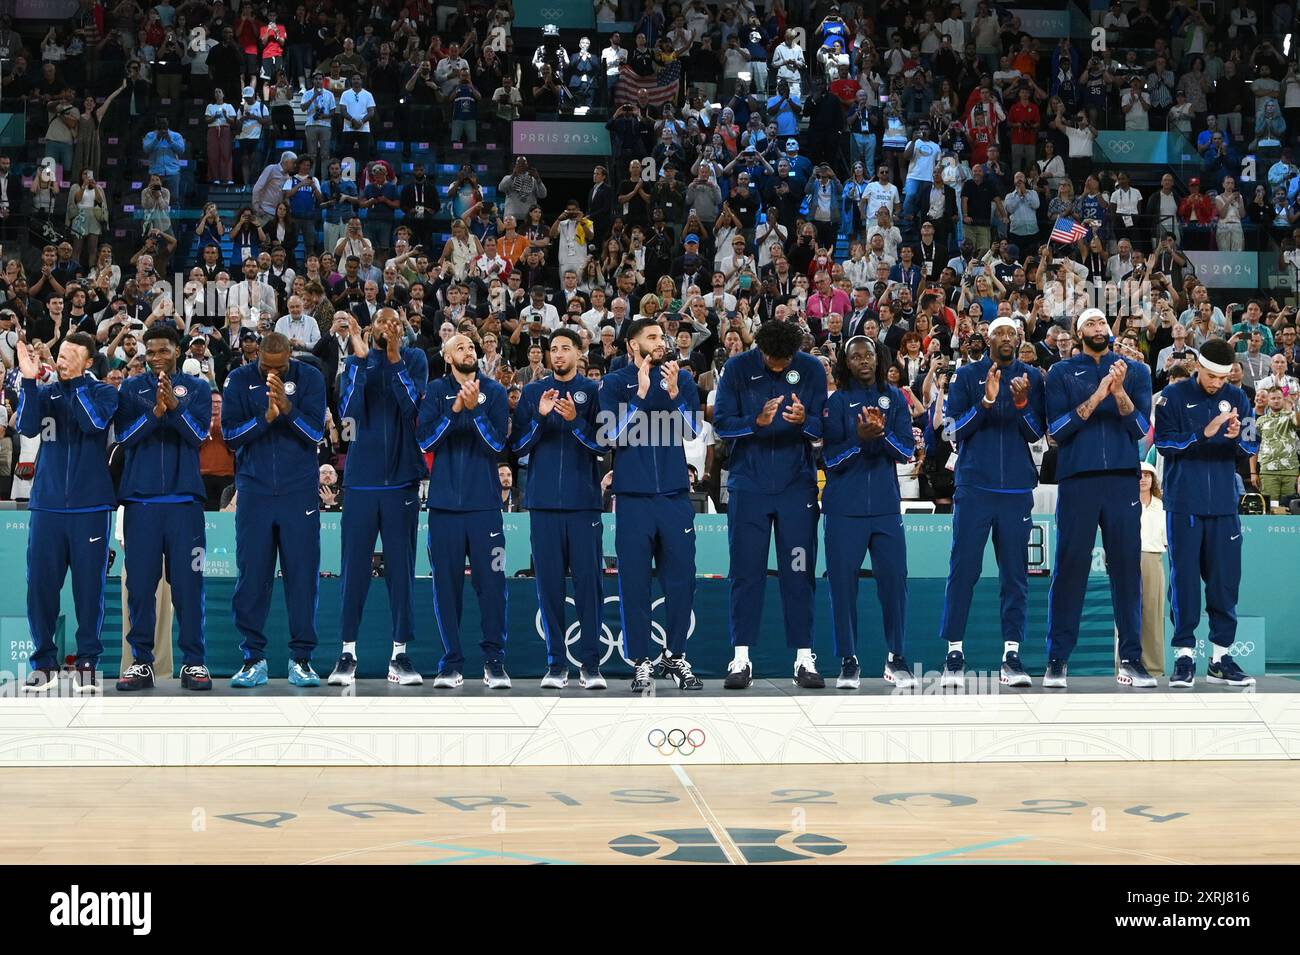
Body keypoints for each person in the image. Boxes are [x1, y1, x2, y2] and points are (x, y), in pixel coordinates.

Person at [712, 320, 827, 688]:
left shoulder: (810, 368)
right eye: (773, 361)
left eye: (786, 361)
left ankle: (804, 658)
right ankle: (740, 658)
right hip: (749, 487)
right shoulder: (737, 368)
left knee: (799, 572)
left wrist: (805, 421)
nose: (780, 367)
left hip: (797, 488)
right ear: (760, 350)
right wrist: (756, 421)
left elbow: (825, 427)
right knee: (747, 572)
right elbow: (722, 425)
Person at [1044, 308, 1153, 689]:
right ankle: (1057, 660)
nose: (1099, 327)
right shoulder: (1060, 373)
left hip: (1123, 480)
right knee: (1069, 568)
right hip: (1078, 481)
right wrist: (1098, 395)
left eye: (1103, 322)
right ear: (1078, 333)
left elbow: (1140, 428)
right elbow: (1057, 430)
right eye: (1090, 323)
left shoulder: (1135, 371)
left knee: (1126, 570)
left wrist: (1119, 390)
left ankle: (1132, 660)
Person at [938, 316, 1046, 687]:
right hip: (974, 488)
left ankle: (1011, 656)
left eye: (1011, 333)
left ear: (1018, 338)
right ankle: (954, 652)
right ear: (987, 337)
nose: (1004, 338)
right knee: (963, 570)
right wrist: (985, 401)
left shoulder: (1032, 377)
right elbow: (949, 432)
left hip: (1016, 490)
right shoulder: (967, 376)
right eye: (998, 332)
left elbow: (1037, 434)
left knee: (1015, 576)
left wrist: (1020, 403)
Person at [598, 318, 704, 692]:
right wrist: (641, 395)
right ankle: (641, 660)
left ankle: (676, 656)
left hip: (675, 497)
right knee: (635, 584)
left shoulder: (683, 378)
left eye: (663, 337)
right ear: (632, 345)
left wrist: (674, 394)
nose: (662, 343)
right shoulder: (613, 384)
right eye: (653, 337)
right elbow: (610, 437)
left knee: (681, 582)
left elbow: (693, 432)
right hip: (633, 500)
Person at [326, 311, 429, 687]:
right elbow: (348, 413)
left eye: (395, 323)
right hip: (362, 483)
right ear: (369, 330)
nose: (389, 328)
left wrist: (395, 355)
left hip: (402, 481)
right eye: (382, 323)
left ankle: (399, 655)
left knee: (401, 571)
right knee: (353, 569)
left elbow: (414, 410)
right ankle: (347, 653)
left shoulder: (414, 359)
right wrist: (360, 358)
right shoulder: (357, 363)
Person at [221, 332, 327, 688]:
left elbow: (315, 435)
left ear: (291, 358)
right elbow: (231, 437)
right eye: (266, 366)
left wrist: (289, 411)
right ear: (256, 356)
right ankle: (253, 658)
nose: (273, 373)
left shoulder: (310, 377)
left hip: (299, 492)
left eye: (280, 368)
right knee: (252, 577)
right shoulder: (238, 379)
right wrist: (266, 417)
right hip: (255, 490)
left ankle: (302, 659)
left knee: (302, 576)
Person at [16, 334, 119, 693]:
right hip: (46, 504)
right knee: (40, 587)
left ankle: (88, 660)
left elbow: (92, 423)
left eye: (72, 356)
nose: (63, 360)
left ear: (88, 362)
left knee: (89, 589)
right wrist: (29, 380)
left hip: (91, 506)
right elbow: (27, 427)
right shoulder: (46, 393)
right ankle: (44, 661)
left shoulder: (105, 393)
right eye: (61, 354)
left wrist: (74, 382)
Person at [112, 325, 213, 692]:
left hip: (185, 504)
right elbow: (123, 437)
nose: (156, 357)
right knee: (140, 588)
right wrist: (155, 413)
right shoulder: (131, 387)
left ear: (177, 350)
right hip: (140, 503)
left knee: (188, 586)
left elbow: (200, 436)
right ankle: (142, 662)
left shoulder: (198, 388)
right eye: (150, 351)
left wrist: (174, 408)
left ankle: (195, 663)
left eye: (163, 350)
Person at [1154, 338, 1258, 688]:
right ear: (1198, 365)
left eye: (1223, 378)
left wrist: (1235, 438)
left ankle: (1220, 658)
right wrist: (1204, 432)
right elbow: (1165, 443)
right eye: (1212, 376)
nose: (1217, 384)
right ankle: (1184, 657)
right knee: (1184, 584)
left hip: (1225, 506)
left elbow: (1252, 442)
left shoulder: (1240, 397)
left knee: (1225, 583)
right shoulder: (1174, 397)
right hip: (1184, 503)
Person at [510, 329, 607, 689]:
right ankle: (555, 665)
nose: (559, 354)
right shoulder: (535, 392)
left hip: (583, 503)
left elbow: (603, 443)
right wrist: (539, 417)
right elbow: (517, 447)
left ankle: (591, 665)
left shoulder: (595, 392)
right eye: (553, 349)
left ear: (580, 353)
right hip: (543, 502)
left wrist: (574, 421)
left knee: (589, 586)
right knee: (549, 586)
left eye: (566, 348)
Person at [821, 336, 917, 689]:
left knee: (894, 584)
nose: (863, 360)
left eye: (869, 355)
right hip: (843, 509)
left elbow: (906, 450)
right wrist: (861, 439)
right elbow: (830, 459)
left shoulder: (894, 398)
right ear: (846, 363)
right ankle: (849, 660)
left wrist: (879, 436)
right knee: (842, 588)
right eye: (855, 356)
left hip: (885, 508)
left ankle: (896, 658)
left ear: (878, 359)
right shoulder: (836, 402)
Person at [417, 333, 511, 688]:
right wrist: (455, 409)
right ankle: (451, 663)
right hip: (443, 509)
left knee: (493, 585)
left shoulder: (495, 392)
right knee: (446, 588)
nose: (469, 350)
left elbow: (498, 444)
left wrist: (473, 414)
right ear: (447, 356)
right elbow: (426, 442)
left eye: (472, 346)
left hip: (485, 508)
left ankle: (494, 661)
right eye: (461, 347)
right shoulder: (436, 391)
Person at [1137, 461, 1167, 678]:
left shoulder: (1161, 506)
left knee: (1153, 616)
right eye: (1140, 475)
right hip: (1126, 560)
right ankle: (1125, 665)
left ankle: (1154, 669)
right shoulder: (1123, 503)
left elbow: (1166, 539)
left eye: (1148, 475)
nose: (1143, 479)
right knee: (1127, 615)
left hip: (1152, 559)